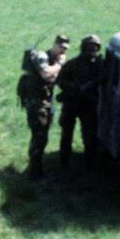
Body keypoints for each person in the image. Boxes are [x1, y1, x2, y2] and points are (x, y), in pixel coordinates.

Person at [18, 35, 69, 177]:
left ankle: (36, 169)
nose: (63, 51)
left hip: (45, 103)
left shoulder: (53, 60)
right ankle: (35, 173)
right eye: (61, 47)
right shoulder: (42, 56)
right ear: (55, 45)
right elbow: (46, 74)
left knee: (42, 137)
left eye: (65, 49)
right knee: (38, 137)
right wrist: (60, 65)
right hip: (36, 104)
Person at [56, 34, 105, 170]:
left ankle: (90, 165)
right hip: (71, 103)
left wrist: (90, 87)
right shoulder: (73, 64)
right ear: (83, 48)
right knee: (67, 134)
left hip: (88, 105)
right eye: (90, 47)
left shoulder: (100, 66)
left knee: (90, 137)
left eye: (95, 48)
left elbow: (104, 80)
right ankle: (64, 163)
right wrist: (74, 88)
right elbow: (60, 81)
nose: (92, 50)